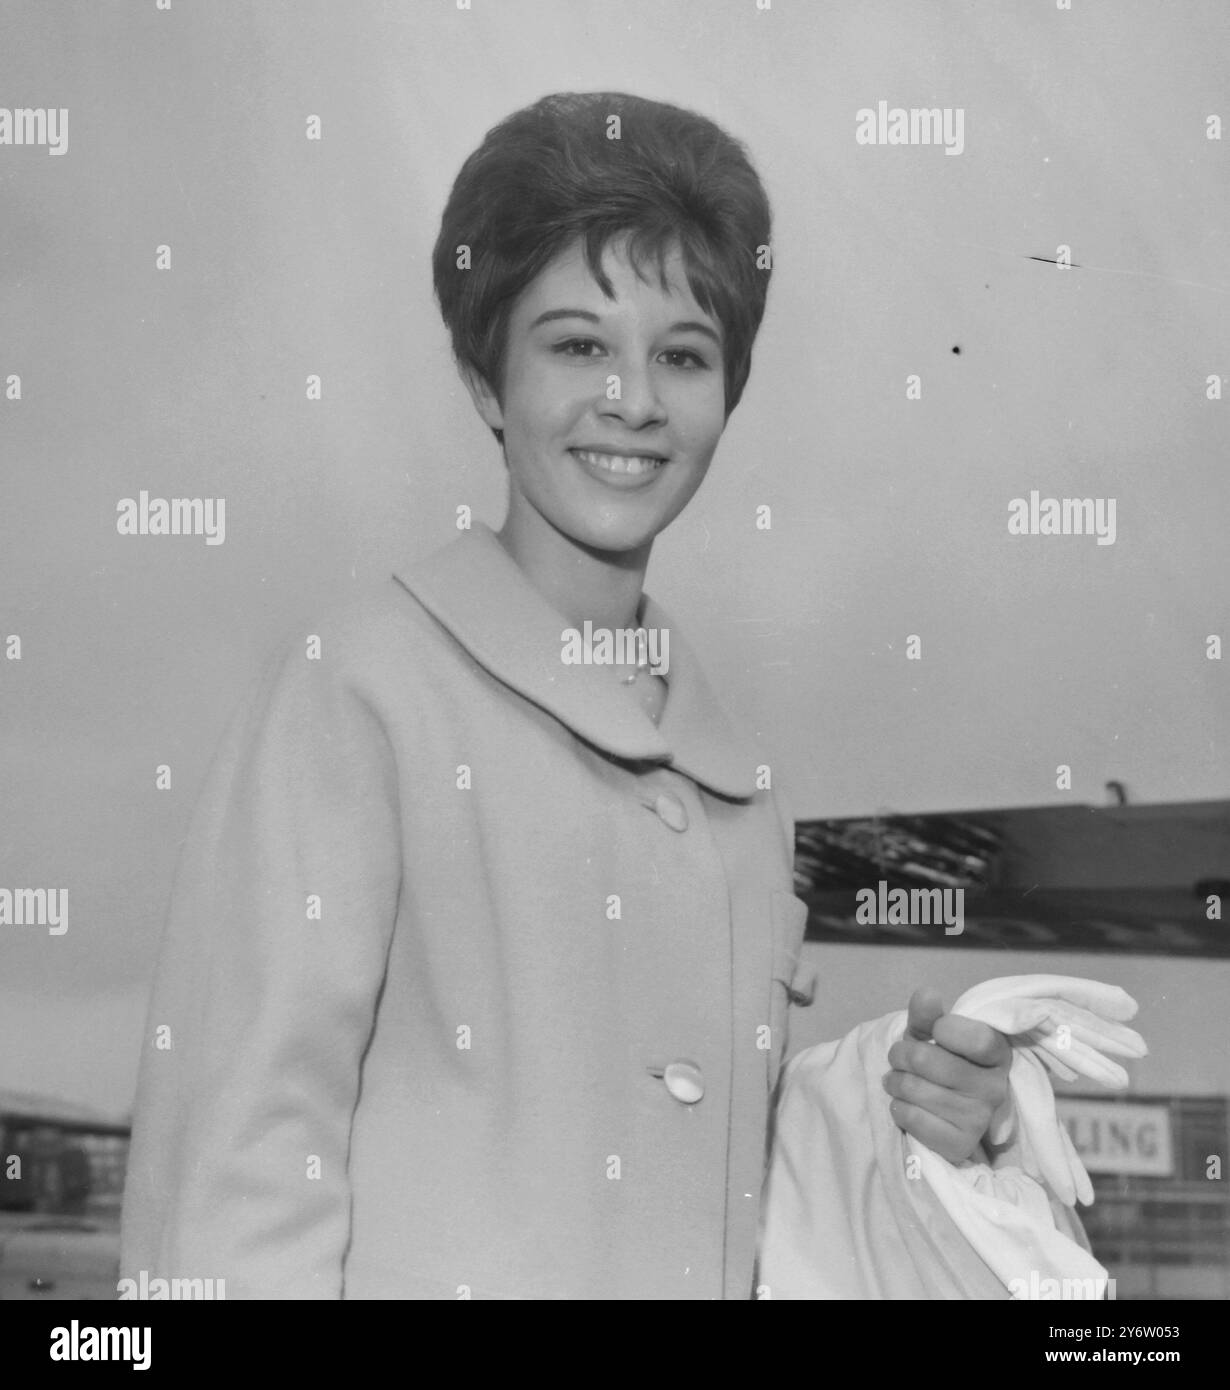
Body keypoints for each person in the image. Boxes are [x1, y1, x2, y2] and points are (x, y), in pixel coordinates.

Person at [120, 91, 1011, 1300]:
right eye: (579, 344)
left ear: (727, 397)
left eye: (683, 355)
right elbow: (232, 1179)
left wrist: (906, 1109)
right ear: (487, 380)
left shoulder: (743, 788)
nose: (633, 399)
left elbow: (716, 1188)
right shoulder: (359, 692)